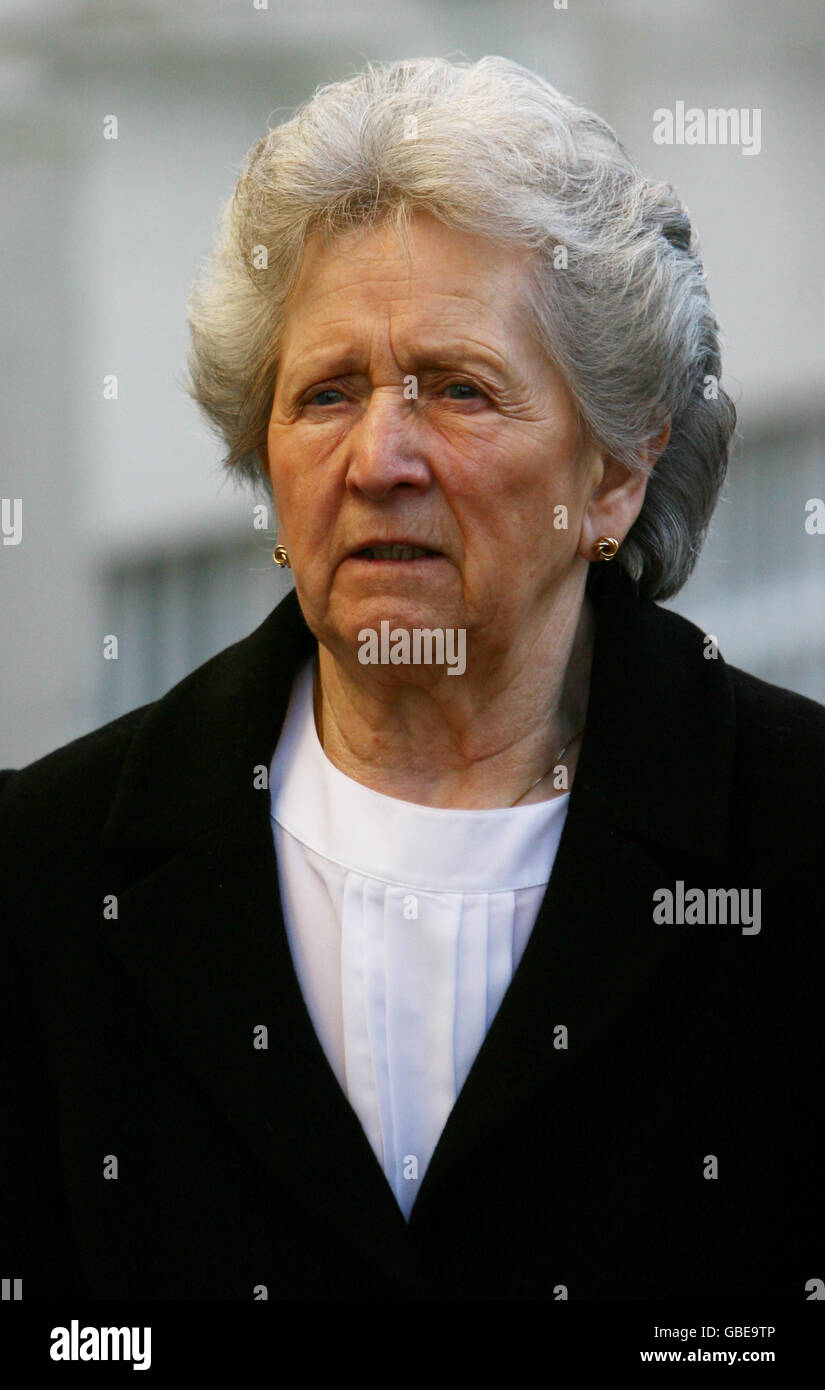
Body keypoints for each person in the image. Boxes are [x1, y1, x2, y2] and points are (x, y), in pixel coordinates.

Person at [1, 55, 823, 1301]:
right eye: (326, 393)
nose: (379, 457)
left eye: (457, 389)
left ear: (615, 475)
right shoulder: (49, 872)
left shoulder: (798, 842)